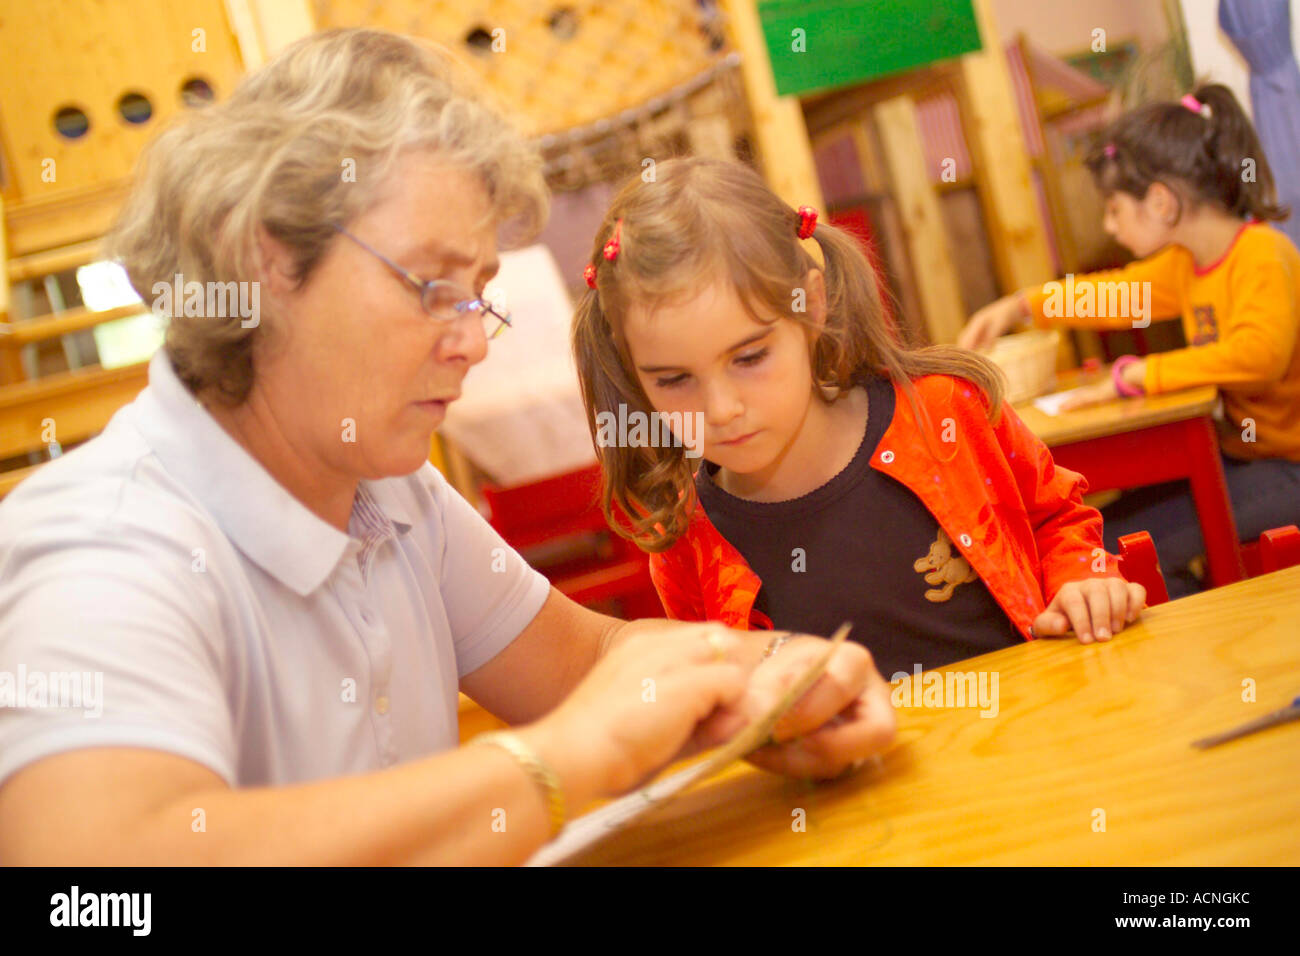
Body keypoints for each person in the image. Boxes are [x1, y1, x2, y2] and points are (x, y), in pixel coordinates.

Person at [0, 29, 897, 867]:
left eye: (479, 296)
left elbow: (586, 661)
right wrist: (556, 764)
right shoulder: (107, 542)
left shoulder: (391, 493)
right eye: (432, 286)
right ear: (265, 263)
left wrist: (768, 678)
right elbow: (96, 878)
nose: (472, 341)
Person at [571, 157, 1146, 680]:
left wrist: (1083, 579)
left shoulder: (944, 411)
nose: (720, 410)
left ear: (812, 304)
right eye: (673, 380)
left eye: (749, 358)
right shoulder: (685, 536)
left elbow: (1056, 521)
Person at [959, 84, 1300, 596]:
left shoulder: (1261, 255)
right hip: (1245, 458)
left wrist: (1135, 376)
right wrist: (1021, 305)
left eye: (1115, 209)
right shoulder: (1190, 263)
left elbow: (1260, 357)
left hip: (1288, 469)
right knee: (1111, 536)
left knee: (1122, 547)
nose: (1109, 225)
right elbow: (1118, 295)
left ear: (1160, 201)